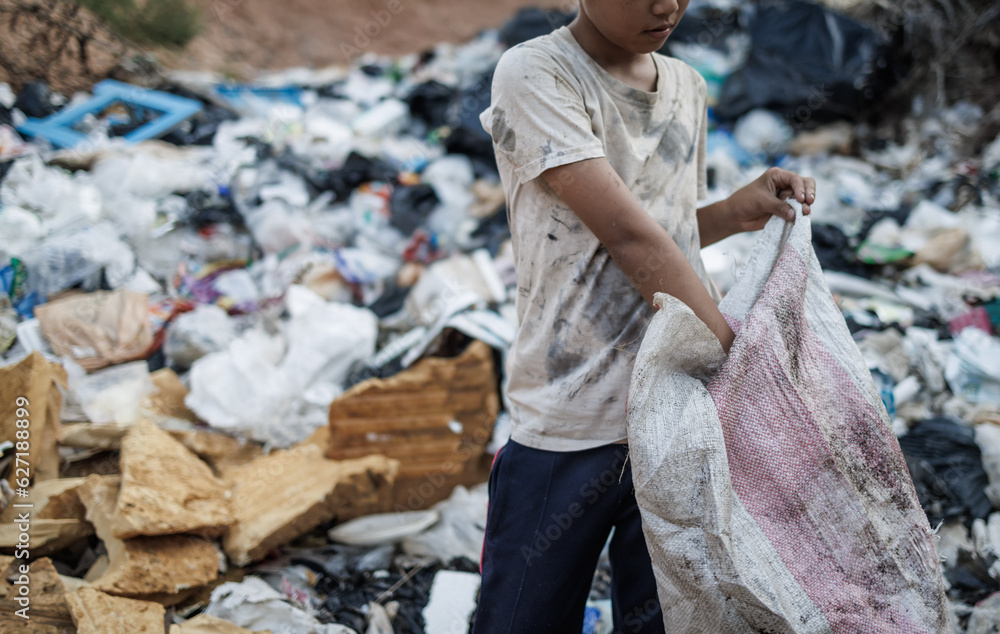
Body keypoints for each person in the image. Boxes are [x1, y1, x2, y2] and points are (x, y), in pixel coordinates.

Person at [474, 0, 817, 632]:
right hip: (569, 415)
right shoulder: (537, 73)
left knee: (661, 621)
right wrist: (736, 362)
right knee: (520, 619)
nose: (667, 7)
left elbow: (668, 234)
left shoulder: (687, 84)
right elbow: (629, 238)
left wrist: (739, 211)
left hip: (672, 414)